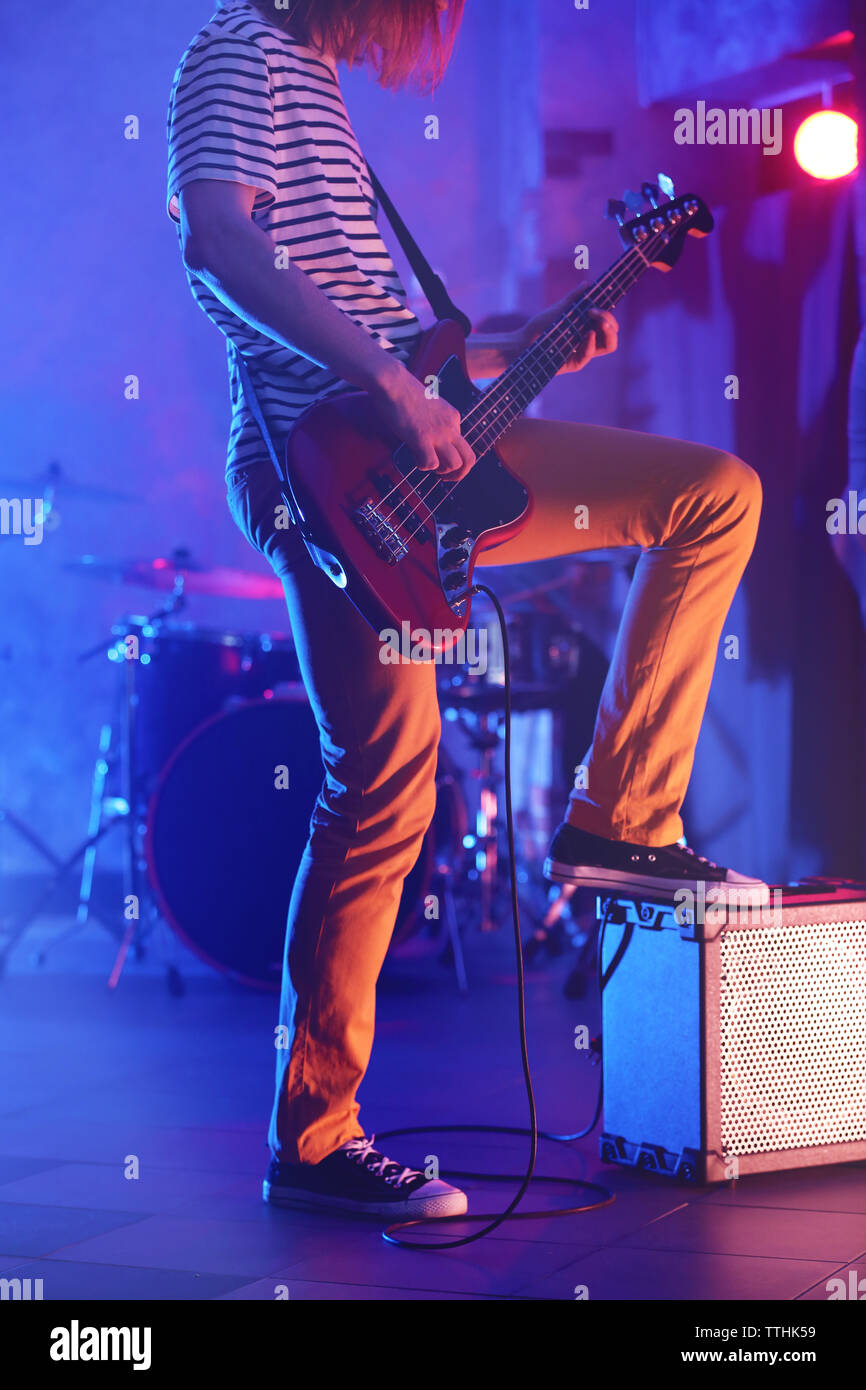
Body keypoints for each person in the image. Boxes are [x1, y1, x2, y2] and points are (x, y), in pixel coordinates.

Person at [166, 0, 766, 1219]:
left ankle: (618, 817)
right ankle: (316, 1136)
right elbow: (221, 247)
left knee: (713, 494)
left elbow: (398, 343)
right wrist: (391, 384)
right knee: (385, 775)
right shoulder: (236, 44)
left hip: (405, 440)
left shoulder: (317, 80)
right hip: (320, 462)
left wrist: (515, 351)